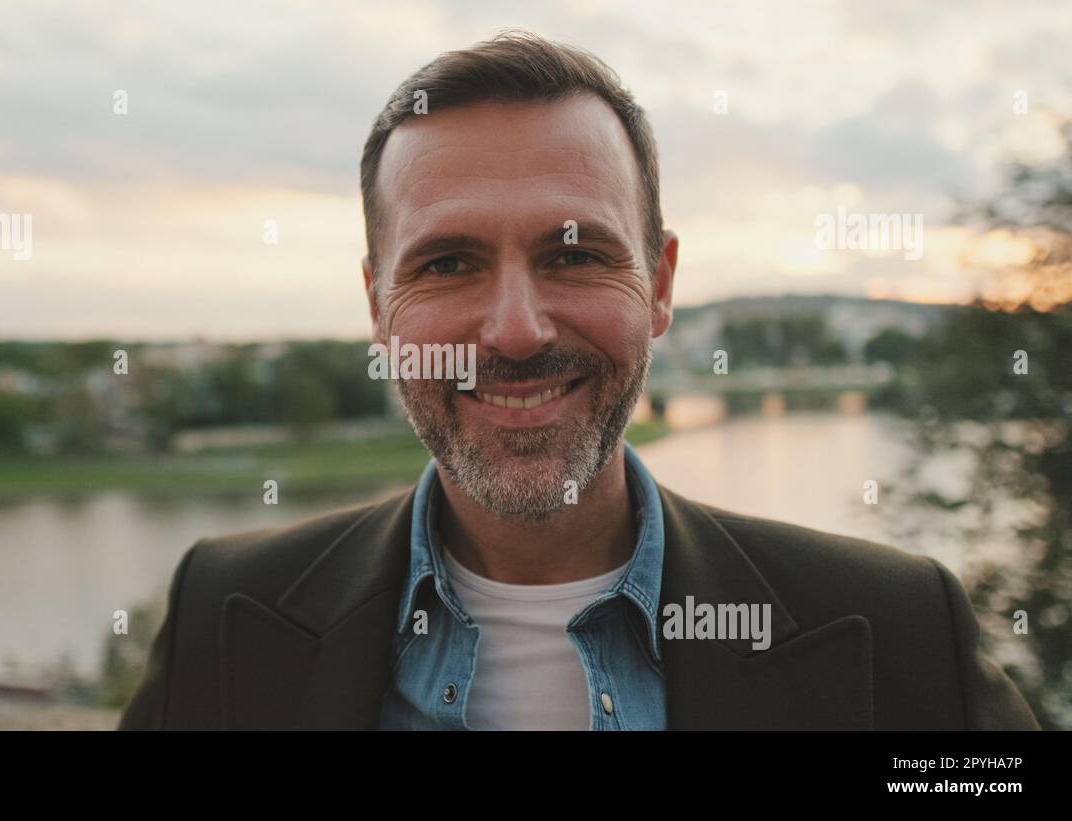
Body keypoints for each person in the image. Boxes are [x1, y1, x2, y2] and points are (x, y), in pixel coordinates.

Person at [119, 30, 1039, 730]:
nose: (516, 330)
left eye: (576, 256)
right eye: (445, 265)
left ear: (662, 283)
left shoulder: (896, 629)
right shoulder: (225, 618)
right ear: (375, 303)